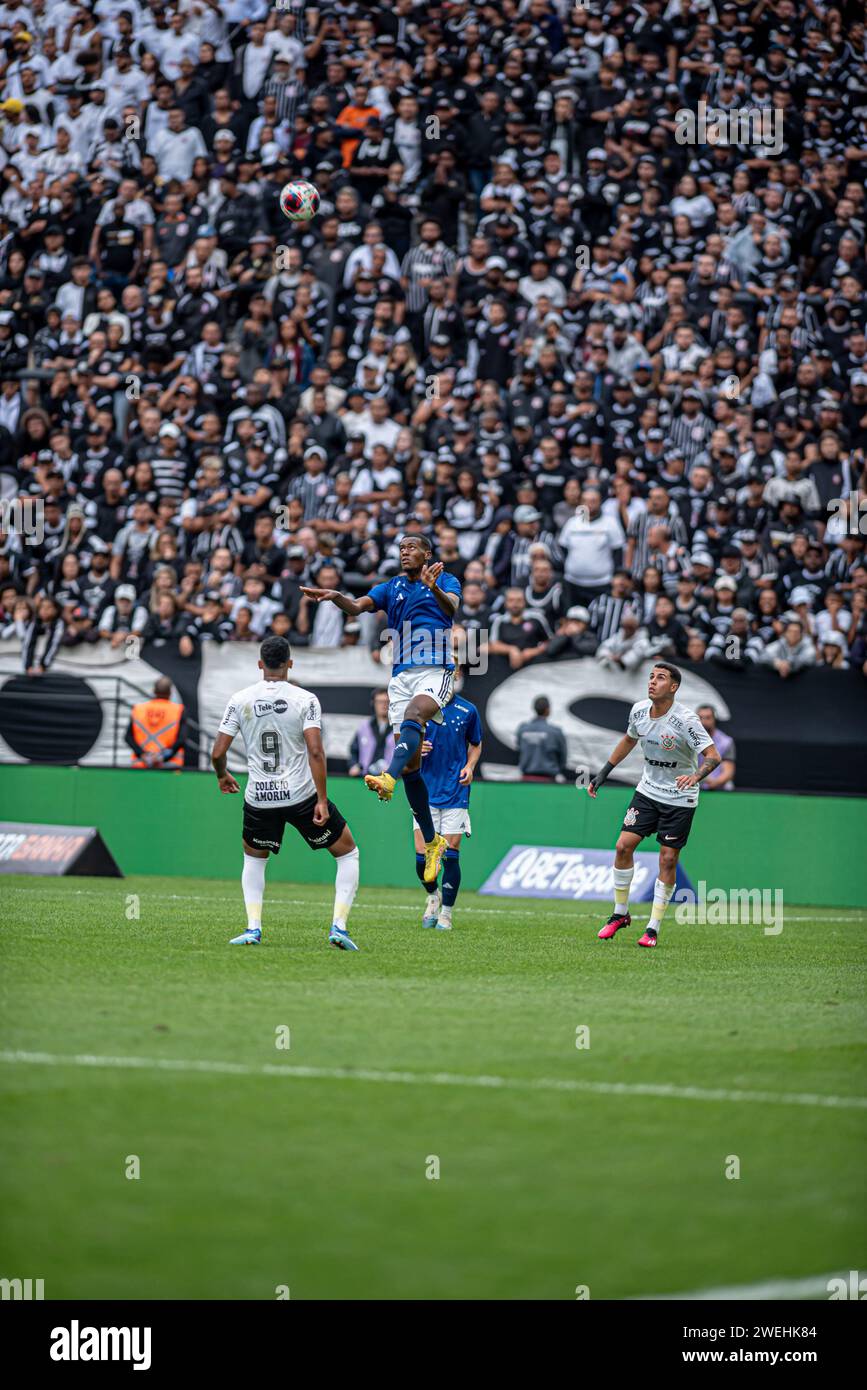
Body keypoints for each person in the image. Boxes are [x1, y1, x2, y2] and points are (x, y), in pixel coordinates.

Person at [301, 532, 461, 886]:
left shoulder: (445, 579)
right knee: (414, 768)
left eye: (412, 547)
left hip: (436, 669)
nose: (405, 552)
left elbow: (451, 609)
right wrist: (335, 597)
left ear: (427, 553)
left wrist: (433, 587)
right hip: (401, 676)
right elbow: (358, 606)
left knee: (415, 717)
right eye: (401, 548)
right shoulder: (391, 587)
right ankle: (432, 841)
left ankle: (387, 775)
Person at [210, 635, 360, 951]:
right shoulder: (306, 699)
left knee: (254, 860)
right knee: (347, 853)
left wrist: (222, 775)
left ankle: (253, 928)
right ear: (290, 663)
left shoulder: (240, 699)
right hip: (300, 795)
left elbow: (217, 752)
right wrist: (321, 799)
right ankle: (339, 927)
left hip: (259, 797)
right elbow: (316, 752)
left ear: (260, 664)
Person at [587, 662, 720, 949]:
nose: (652, 682)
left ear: (673, 687)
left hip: (679, 798)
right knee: (623, 846)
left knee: (667, 859)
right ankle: (620, 914)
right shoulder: (638, 711)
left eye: (660, 678)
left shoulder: (686, 720)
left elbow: (713, 756)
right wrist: (603, 773)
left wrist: (696, 775)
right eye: (651, 677)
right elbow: (628, 740)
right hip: (647, 791)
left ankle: (652, 928)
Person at [414, 688, 483, 932]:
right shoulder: (419, 706)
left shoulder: (468, 710)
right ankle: (433, 897)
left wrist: (470, 765)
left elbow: (476, 744)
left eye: (453, 671)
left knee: (450, 852)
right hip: (424, 791)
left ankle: (447, 914)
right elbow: (402, 739)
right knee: (422, 856)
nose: (449, 676)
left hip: (456, 790)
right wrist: (416, 747)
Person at [125, 676, 186, 769]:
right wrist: (162, 757)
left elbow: (128, 737)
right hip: (169, 765)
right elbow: (181, 739)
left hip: (141, 764)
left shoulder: (138, 709)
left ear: (154, 691)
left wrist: (143, 755)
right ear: (170, 693)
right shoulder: (179, 710)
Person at [516, 697, 568, 782]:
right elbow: (563, 757)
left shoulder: (522, 729)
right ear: (547, 710)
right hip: (548, 781)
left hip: (526, 780)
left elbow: (519, 749)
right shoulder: (555, 732)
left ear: (534, 708)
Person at [347, 688, 395, 776]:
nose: (383, 705)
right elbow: (354, 750)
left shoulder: (398, 728)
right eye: (380, 702)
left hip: (391, 778)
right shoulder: (364, 727)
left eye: (386, 702)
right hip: (364, 778)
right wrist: (353, 765)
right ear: (373, 703)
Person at [696, 705, 737, 791]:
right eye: (700, 718)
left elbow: (728, 772)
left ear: (714, 719)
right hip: (693, 785)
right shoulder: (688, 739)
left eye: (708, 717)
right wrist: (700, 779)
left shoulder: (726, 742)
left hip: (719, 788)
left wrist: (714, 783)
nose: (703, 721)